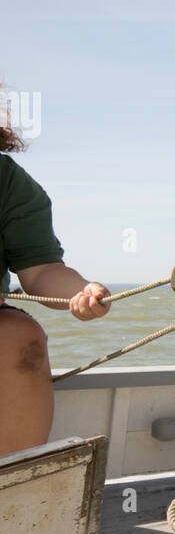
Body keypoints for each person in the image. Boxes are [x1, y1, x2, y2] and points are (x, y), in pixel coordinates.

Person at [0, 99, 110, 456]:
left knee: (21, 335)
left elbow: (41, 271)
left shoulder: (7, 181)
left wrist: (81, 291)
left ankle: (15, 498)